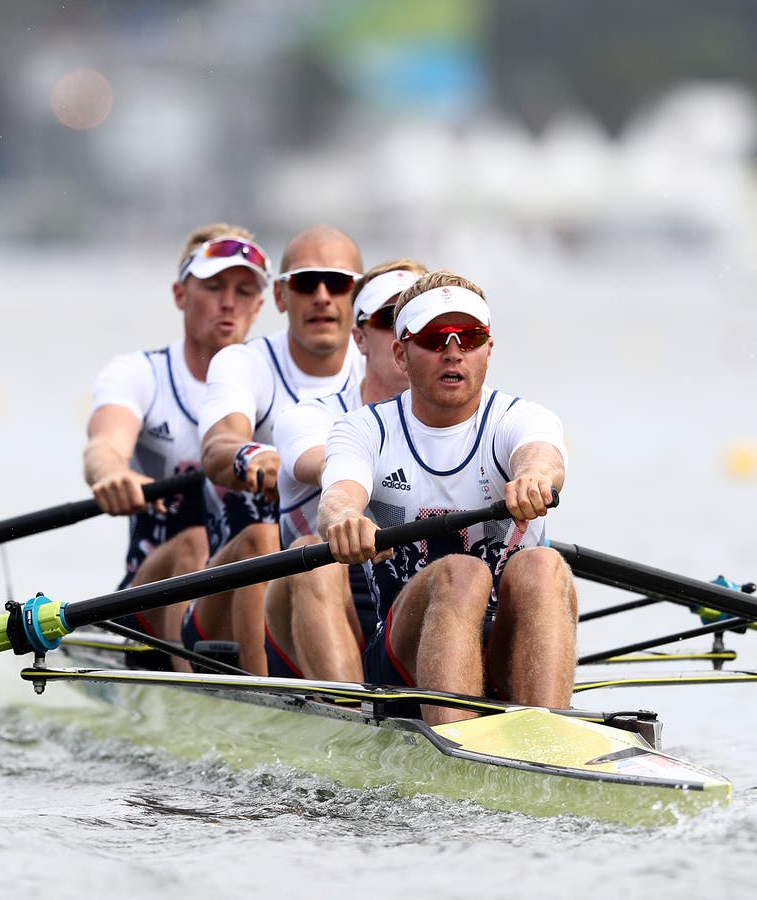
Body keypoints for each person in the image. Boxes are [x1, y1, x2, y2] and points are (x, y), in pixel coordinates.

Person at [317, 270, 578, 725]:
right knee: (463, 573)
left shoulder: (520, 418)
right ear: (402, 354)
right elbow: (339, 494)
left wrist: (534, 477)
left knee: (543, 565)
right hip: (404, 662)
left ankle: (548, 734)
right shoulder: (364, 429)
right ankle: (457, 750)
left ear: (488, 350)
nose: (454, 352)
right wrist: (345, 519)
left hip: (508, 651)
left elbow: (541, 455)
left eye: (470, 337)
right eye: (436, 338)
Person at [84, 224, 268, 665]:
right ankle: (188, 686)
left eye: (244, 291)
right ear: (180, 294)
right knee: (193, 542)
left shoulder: (274, 381)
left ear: (260, 306)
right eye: (213, 286)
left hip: (242, 590)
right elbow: (104, 444)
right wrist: (112, 472)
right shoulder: (141, 374)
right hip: (149, 594)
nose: (229, 302)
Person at [187, 224, 365, 675]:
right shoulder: (245, 363)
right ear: (283, 297)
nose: (322, 296)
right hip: (233, 590)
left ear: (358, 297)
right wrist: (249, 456)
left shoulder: (383, 368)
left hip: (344, 582)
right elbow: (218, 444)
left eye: (338, 282)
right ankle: (260, 694)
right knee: (268, 541)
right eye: (307, 283)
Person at [263, 260, 426, 682]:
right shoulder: (309, 417)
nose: (407, 335)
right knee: (312, 558)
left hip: (418, 620)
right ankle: (349, 718)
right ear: (360, 338)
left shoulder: (476, 427)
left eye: (422, 322)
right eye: (391, 320)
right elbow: (327, 462)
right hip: (311, 617)